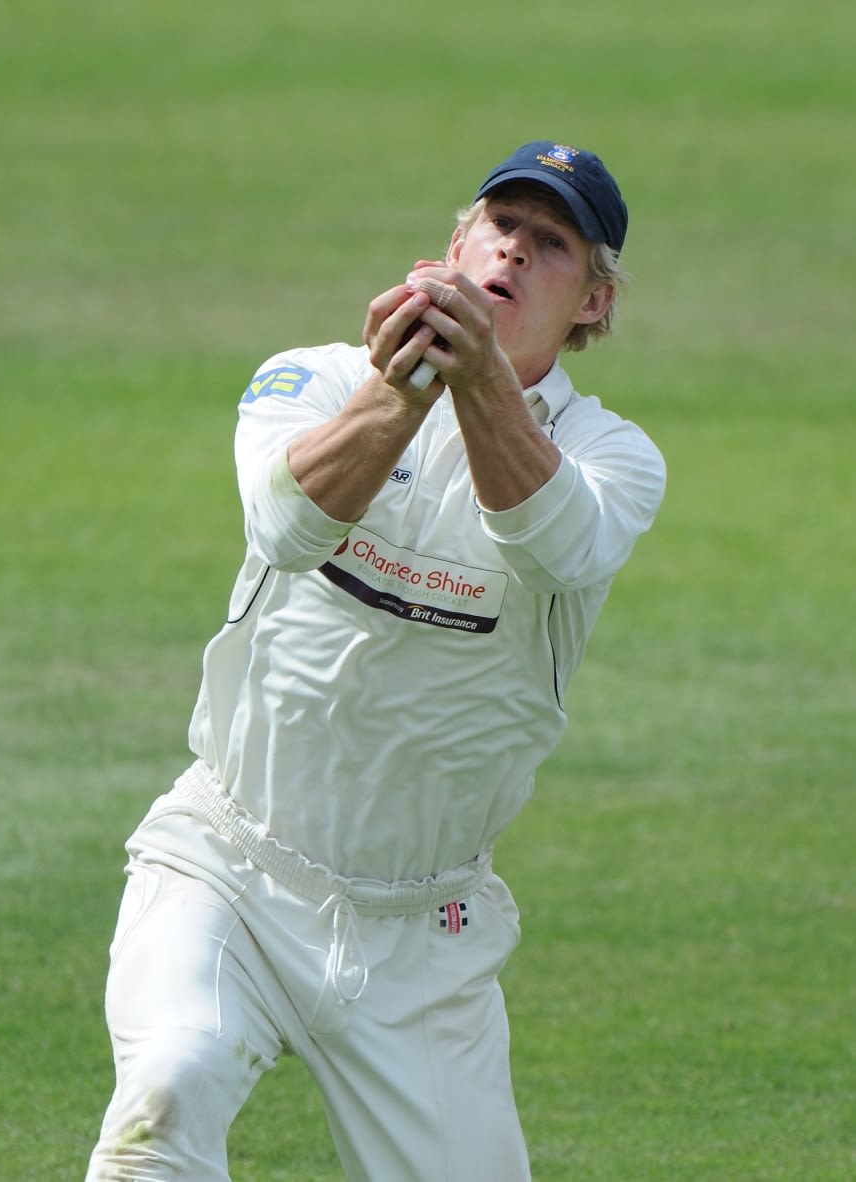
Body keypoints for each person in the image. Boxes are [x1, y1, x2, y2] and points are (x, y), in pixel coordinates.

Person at [86, 139, 666, 1182]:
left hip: (423, 937)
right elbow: (285, 527)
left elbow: (555, 542)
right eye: (500, 229)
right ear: (453, 246)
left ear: (595, 306)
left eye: (551, 245)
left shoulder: (614, 460)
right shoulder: (313, 378)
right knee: (166, 1095)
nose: (515, 255)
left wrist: (478, 376)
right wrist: (406, 395)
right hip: (228, 866)